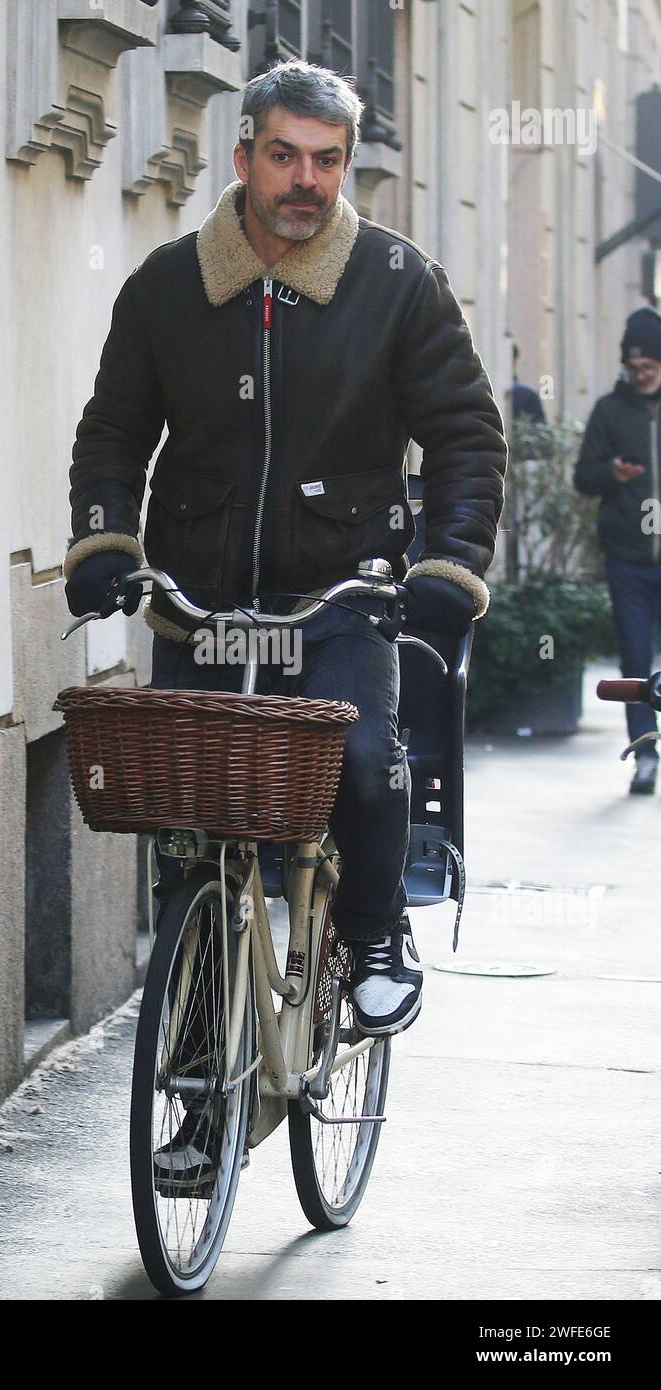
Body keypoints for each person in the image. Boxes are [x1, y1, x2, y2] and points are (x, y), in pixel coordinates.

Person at [64, 60, 506, 1045]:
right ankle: (191, 1072)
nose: (305, 181)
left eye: (327, 161)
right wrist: (103, 537)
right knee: (190, 824)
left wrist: (448, 565)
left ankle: (376, 929)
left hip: (346, 594)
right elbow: (114, 432)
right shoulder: (168, 286)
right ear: (243, 157)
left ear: (345, 167)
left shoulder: (397, 285)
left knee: (358, 758)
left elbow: (466, 435)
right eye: (284, 157)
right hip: (200, 597)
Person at [574, 306, 661, 794]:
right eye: (634, 367)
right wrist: (612, 473)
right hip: (628, 556)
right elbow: (583, 476)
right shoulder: (610, 410)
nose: (641, 373)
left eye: (649, 365)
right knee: (634, 661)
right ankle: (644, 754)